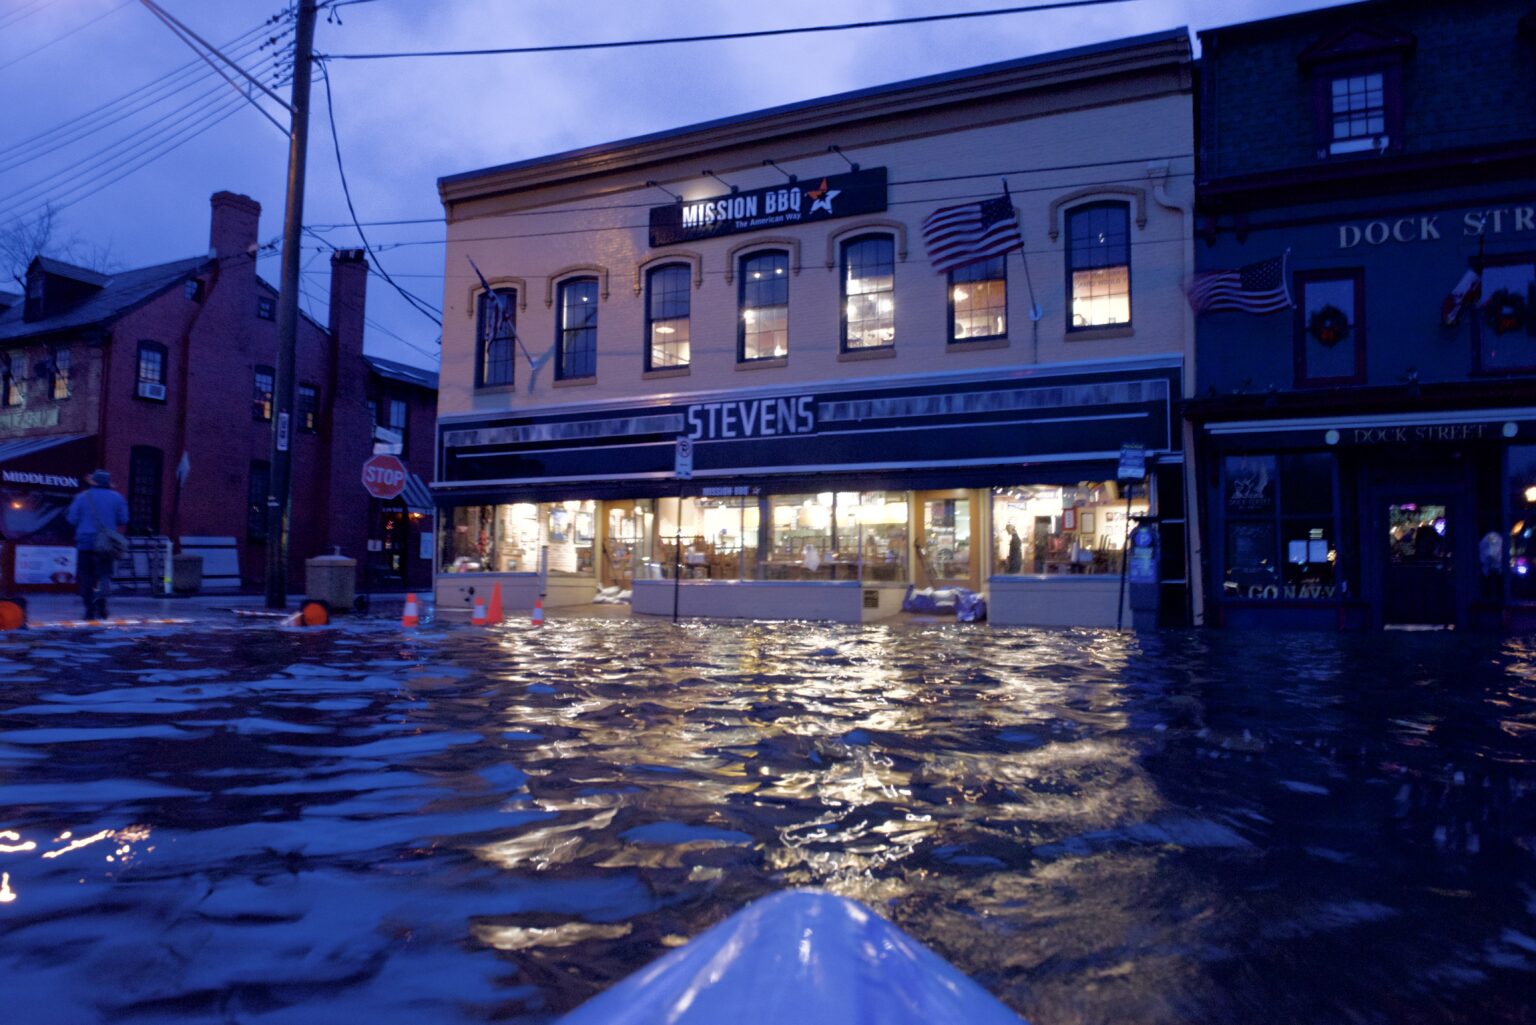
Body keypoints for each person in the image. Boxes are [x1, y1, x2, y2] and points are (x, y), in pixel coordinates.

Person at [66, 469, 129, 619]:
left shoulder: (81, 497)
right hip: (106, 544)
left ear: (93, 482)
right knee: (105, 575)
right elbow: (124, 519)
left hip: (85, 543)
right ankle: (102, 602)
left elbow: (71, 520)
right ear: (108, 483)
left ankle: (89, 608)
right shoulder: (117, 498)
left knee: (86, 576)